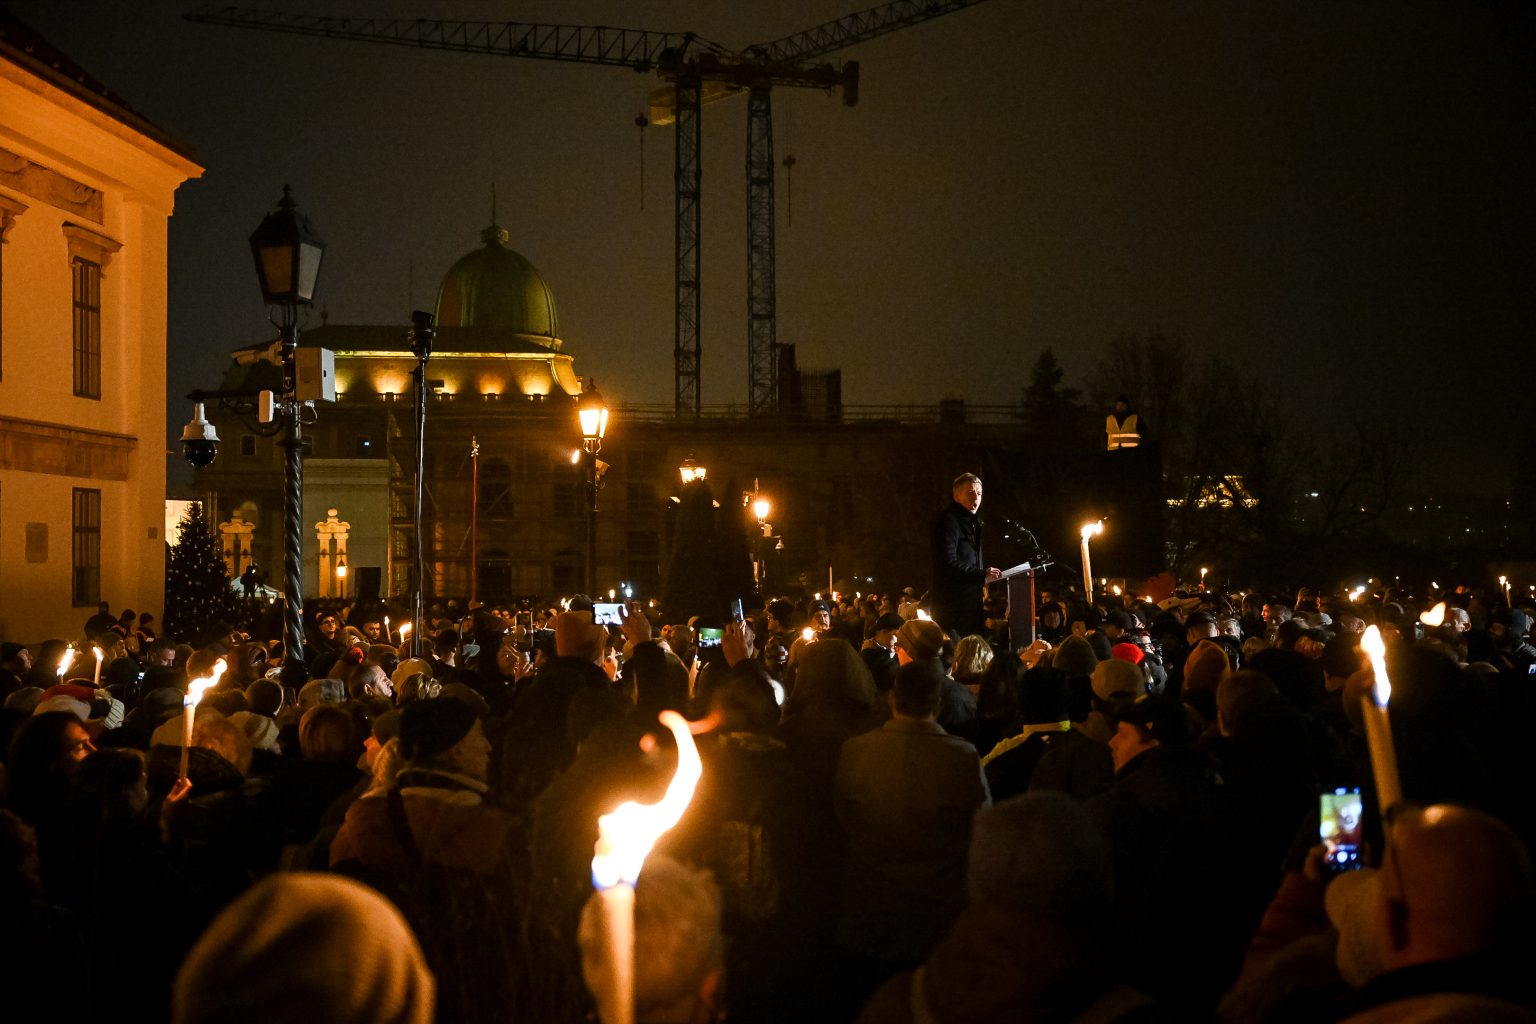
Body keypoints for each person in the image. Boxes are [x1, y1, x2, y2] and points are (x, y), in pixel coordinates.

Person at [834, 660, 990, 1000]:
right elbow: (983, 829)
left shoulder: (855, 751)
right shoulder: (962, 757)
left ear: (892, 700)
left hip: (870, 915)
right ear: (937, 704)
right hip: (938, 919)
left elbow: (842, 818)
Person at [929, 473, 1000, 639]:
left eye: (980, 493)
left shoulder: (972, 523)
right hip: (953, 608)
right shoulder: (948, 521)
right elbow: (947, 563)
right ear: (956, 495)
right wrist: (982, 574)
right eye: (970, 492)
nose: (976, 497)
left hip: (969, 605)